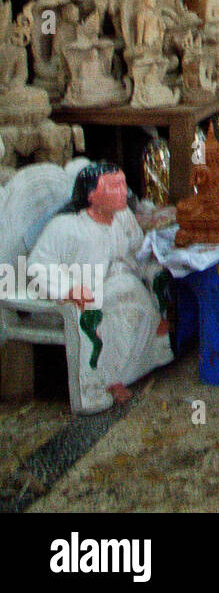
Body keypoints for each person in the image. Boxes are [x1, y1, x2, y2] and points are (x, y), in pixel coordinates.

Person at [27, 163, 172, 414]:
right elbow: (36, 267)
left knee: (141, 303)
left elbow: (137, 251)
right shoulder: (66, 227)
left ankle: (135, 367)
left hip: (120, 284)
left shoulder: (124, 216)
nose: (124, 192)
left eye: (123, 184)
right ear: (91, 195)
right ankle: (99, 385)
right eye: (114, 187)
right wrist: (68, 288)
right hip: (84, 294)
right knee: (103, 317)